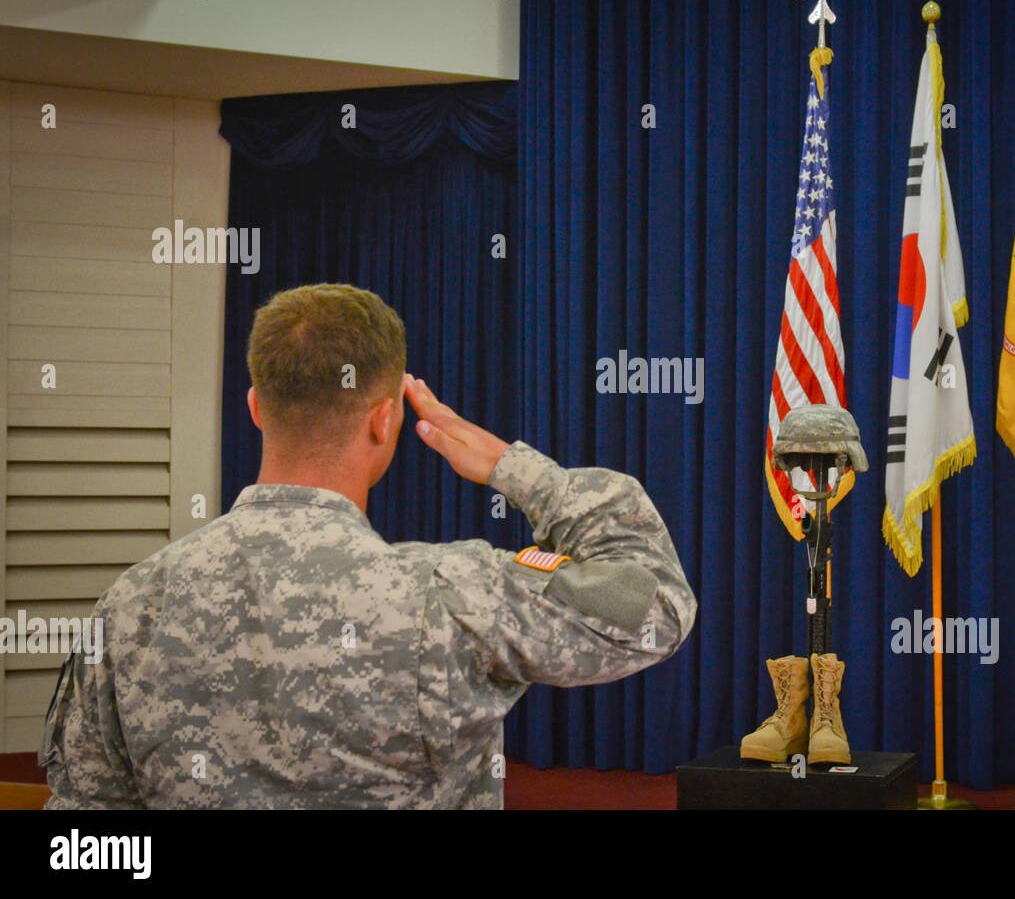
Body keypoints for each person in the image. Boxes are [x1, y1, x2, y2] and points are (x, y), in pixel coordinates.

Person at [39, 283, 697, 808]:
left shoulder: (130, 605)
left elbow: (86, 834)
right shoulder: (453, 594)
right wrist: (519, 472)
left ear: (256, 408)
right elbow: (656, 604)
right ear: (385, 420)